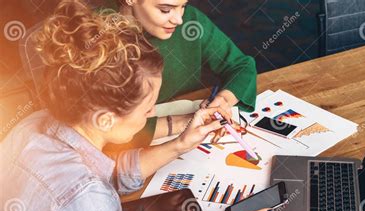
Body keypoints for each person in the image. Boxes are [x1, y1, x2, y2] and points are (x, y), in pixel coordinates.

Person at [0, 0, 270, 211]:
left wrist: (180, 144)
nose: (153, 112)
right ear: (104, 120)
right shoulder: (84, 199)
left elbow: (102, 176)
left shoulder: (30, 127)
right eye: (146, 109)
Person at [105, 0, 257, 146]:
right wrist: (182, 122)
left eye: (183, 6)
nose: (179, 20)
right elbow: (105, 131)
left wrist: (223, 101)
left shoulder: (191, 21)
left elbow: (242, 66)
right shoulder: (95, 39)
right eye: (165, 10)